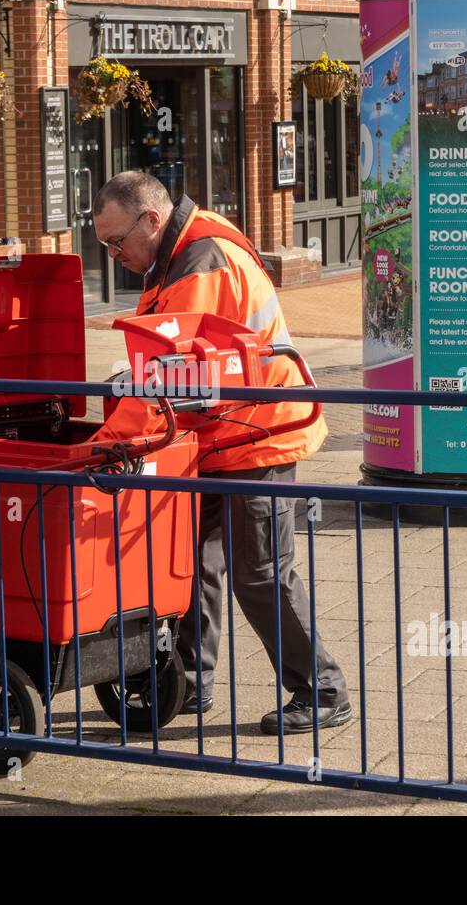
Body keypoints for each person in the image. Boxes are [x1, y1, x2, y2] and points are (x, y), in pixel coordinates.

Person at [91, 171, 351, 735]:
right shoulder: (183, 251)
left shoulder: (199, 262)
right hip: (224, 434)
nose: (114, 255)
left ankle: (323, 690)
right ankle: (186, 684)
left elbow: (169, 376)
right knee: (191, 566)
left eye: (117, 241)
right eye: (105, 245)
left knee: (259, 573)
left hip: (257, 435)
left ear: (151, 220)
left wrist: (105, 445)